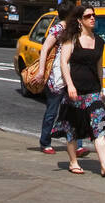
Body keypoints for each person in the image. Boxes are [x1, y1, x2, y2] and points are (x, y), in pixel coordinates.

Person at [57, 4, 105, 177]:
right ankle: (73, 162)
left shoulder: (99, 41)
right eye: (88, 16)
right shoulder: (72, 39)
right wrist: (69, 85)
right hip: (75, 91)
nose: (92, 18)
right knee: (72, 128)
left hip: (92, 91)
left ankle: (104, 165)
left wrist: (102, 86)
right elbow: (64, 63)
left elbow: (100, 65)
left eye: (93, 15)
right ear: (79, 20)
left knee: (100, 126)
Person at [36, 15, 87, 158]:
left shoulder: (77, 30)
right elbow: (45, 48)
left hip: (71, 77)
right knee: (52, 111)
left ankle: (78, 145)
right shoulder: (58, 29)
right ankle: (45, 142)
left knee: (75, 111)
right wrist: (41, 71)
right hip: (57, 77)